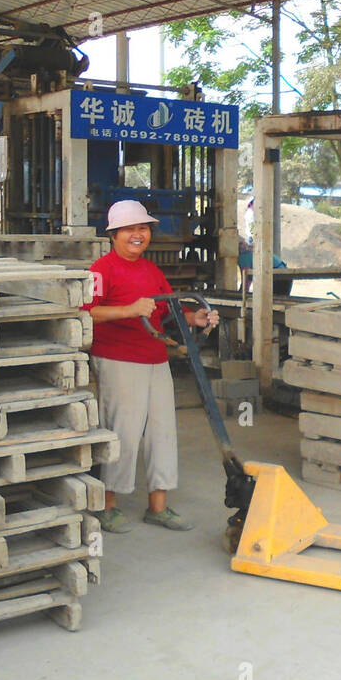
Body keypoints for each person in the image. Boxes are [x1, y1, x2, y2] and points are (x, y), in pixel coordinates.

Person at [84, 199, 218, 532]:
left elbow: (165, 312)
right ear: (114, 234)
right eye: (129, 229)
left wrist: (194, 317)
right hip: (117, 359)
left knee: (162, 432)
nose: (137, 235)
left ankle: (158, 506)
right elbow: (86, 312)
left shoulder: (151, 270)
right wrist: (128, 310)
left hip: (155, 357)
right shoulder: (101, 270)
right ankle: (107, 504)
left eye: (142, 228)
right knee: (123, 432)